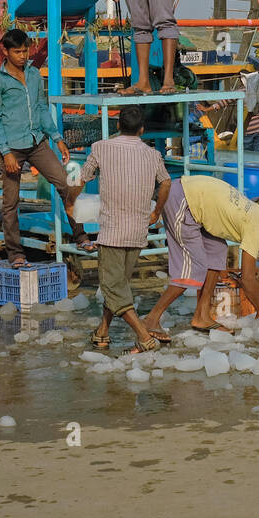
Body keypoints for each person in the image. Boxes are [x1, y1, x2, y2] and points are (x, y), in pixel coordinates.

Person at [141, 174, 259, 338]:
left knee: (217, 251)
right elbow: (247, 278)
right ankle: (152, 319)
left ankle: (202, 316)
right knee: (192, 269)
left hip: (197, 202)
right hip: (182, 199)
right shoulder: (254, 227)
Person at [0, 28, 92, 268]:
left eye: (25, 51)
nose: (23, 56)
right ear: (6, 51)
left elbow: (42, 109)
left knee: (66, 184)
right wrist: (6, 152)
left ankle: (81, 236)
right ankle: (14, 253)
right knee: (10, 202)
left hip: (37, 143)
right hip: (12, 146)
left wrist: (58, 138)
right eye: (18, 52)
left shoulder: (33, 75)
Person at [82, 106, 171, 353]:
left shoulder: (100, 147)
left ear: (118, 125)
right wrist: (157, 211)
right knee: (118, 285)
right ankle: (102, 331)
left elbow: (84, 177)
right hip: (137, 232)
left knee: (112, 288)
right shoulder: (152, 155)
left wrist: (70, 203)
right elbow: (166, 182)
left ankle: (144, 335)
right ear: (142, 129)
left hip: (112, 232)